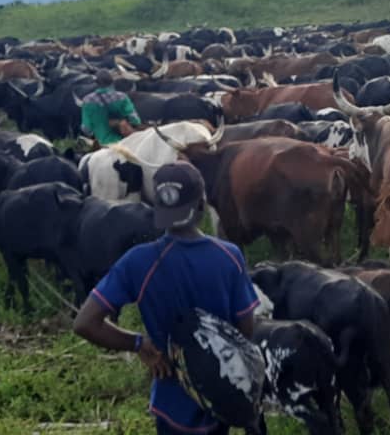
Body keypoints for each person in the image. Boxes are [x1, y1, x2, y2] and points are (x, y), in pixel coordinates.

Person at [73, 162, 259, 435]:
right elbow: (246, 330)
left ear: (157, 206)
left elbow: (85, 323)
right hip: (220, 397)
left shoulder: (138, 262)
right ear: (201, 203)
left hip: (171, 401)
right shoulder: (229, 256)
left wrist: (139, 343)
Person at [80, 70, 142, 145]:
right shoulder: (122, 97)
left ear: (96, 83)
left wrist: (94, 134)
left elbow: (86, 128)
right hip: (126, 143)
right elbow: (135, 119)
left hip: (103, 144)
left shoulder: (87, 100)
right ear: (112, 82)